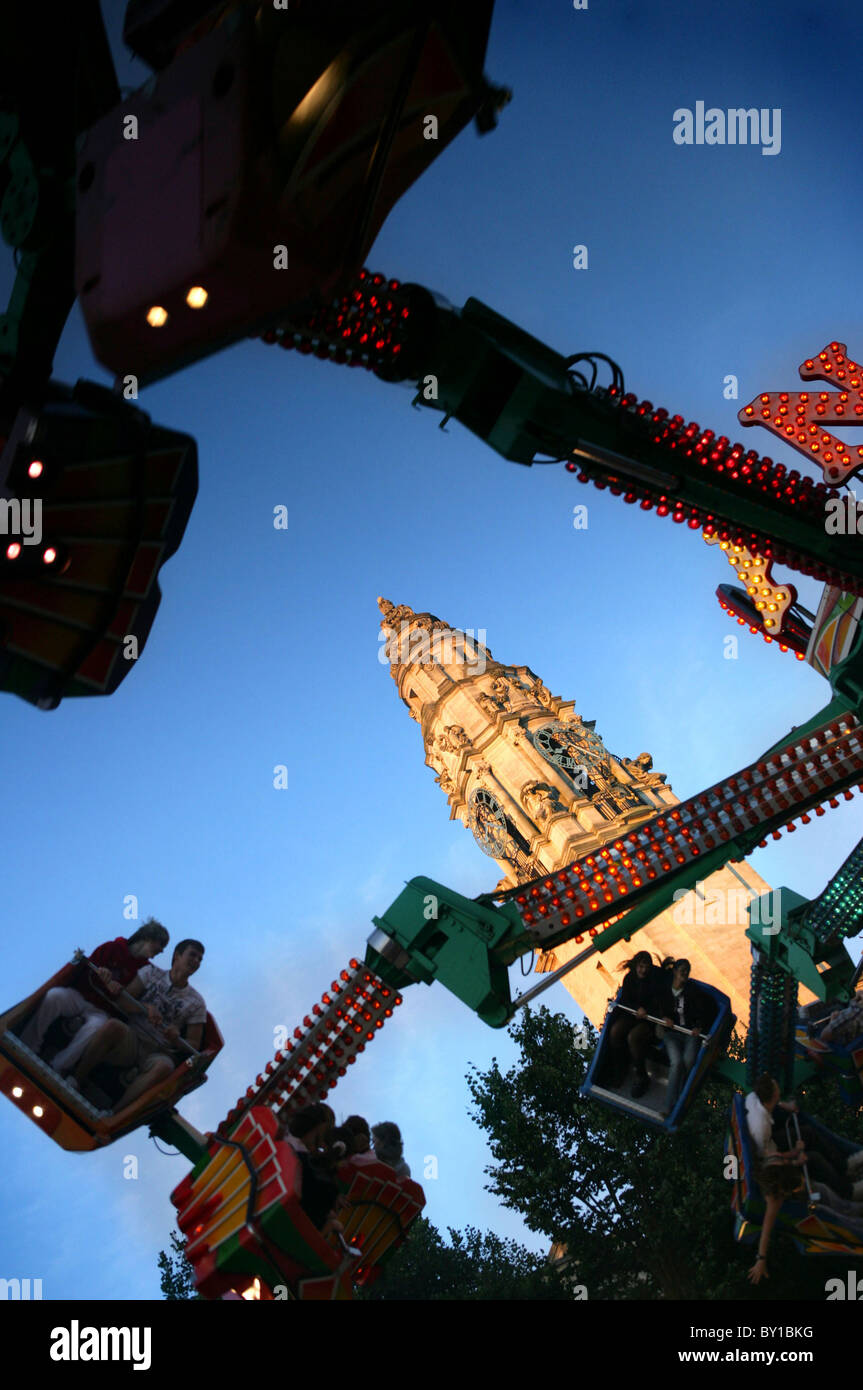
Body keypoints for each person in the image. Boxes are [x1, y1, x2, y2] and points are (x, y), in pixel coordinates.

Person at [18, 920, 170, 1078]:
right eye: (159, 944)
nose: (161, 950)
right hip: (81, 995)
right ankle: (29, 1044)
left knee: (96, 1026)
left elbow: (131, 996)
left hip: (102, 1010)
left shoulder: (145, 971)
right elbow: (87, 967)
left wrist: (120, 990)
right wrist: (100, 972)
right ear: (146, 937)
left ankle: (59, 1066)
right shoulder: (112, 947)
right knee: (54, 996)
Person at [71, 938, 207, 1111]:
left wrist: (175, 1036)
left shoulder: (196, 1002)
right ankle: (76, 1079)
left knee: (165, 1066)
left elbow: (193, 1045)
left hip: (158, 1051)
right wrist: (145, 1008)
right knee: (113, 1026)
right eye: (193, 955)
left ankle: (115, 1114)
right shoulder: (151, 973)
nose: (196, 961)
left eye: (200, 959)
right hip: (132, 1039)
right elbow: (122, 1001)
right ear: (177, 956)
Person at [745, 1074, 863, 1201]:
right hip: (771, 1159)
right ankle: (848, 1191)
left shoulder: (754, 1097)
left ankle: (844, 1165)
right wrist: (794, 1154)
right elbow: (770, 1160)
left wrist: (785, 1105)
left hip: (770, 1142)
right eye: (776, 1088)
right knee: (813, 1158)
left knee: (807, 1133)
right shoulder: (761, 1128)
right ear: (773, 1095)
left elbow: (772, 1102)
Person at [605, 951, 663, 1098]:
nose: (643, 970)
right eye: (641, 966)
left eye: (646, 967)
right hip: (632, 1015)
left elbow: (659, 1004)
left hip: (649, 1020)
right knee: (615, 1032)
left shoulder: (654, 982)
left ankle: (641, 1076)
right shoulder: (630, 978)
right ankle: (620, 1067)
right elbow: (625, 1000)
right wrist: (636, 1009)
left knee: (634, 1037)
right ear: (636, 965)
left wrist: (646, 1011)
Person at [652, 959, 706, 1114]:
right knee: (677, 1062)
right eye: (682, 970)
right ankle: (668, 1106)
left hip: (689, 1033)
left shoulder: (692, 991)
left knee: (688, 1061)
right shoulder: (664, 991)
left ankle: (679, 1095)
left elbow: (701, 1012)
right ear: (675, 971)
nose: (685, 973)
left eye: (687, 971)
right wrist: (663, 1018)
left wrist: (698, 1026)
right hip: (672, 1034)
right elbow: (657, 1009)